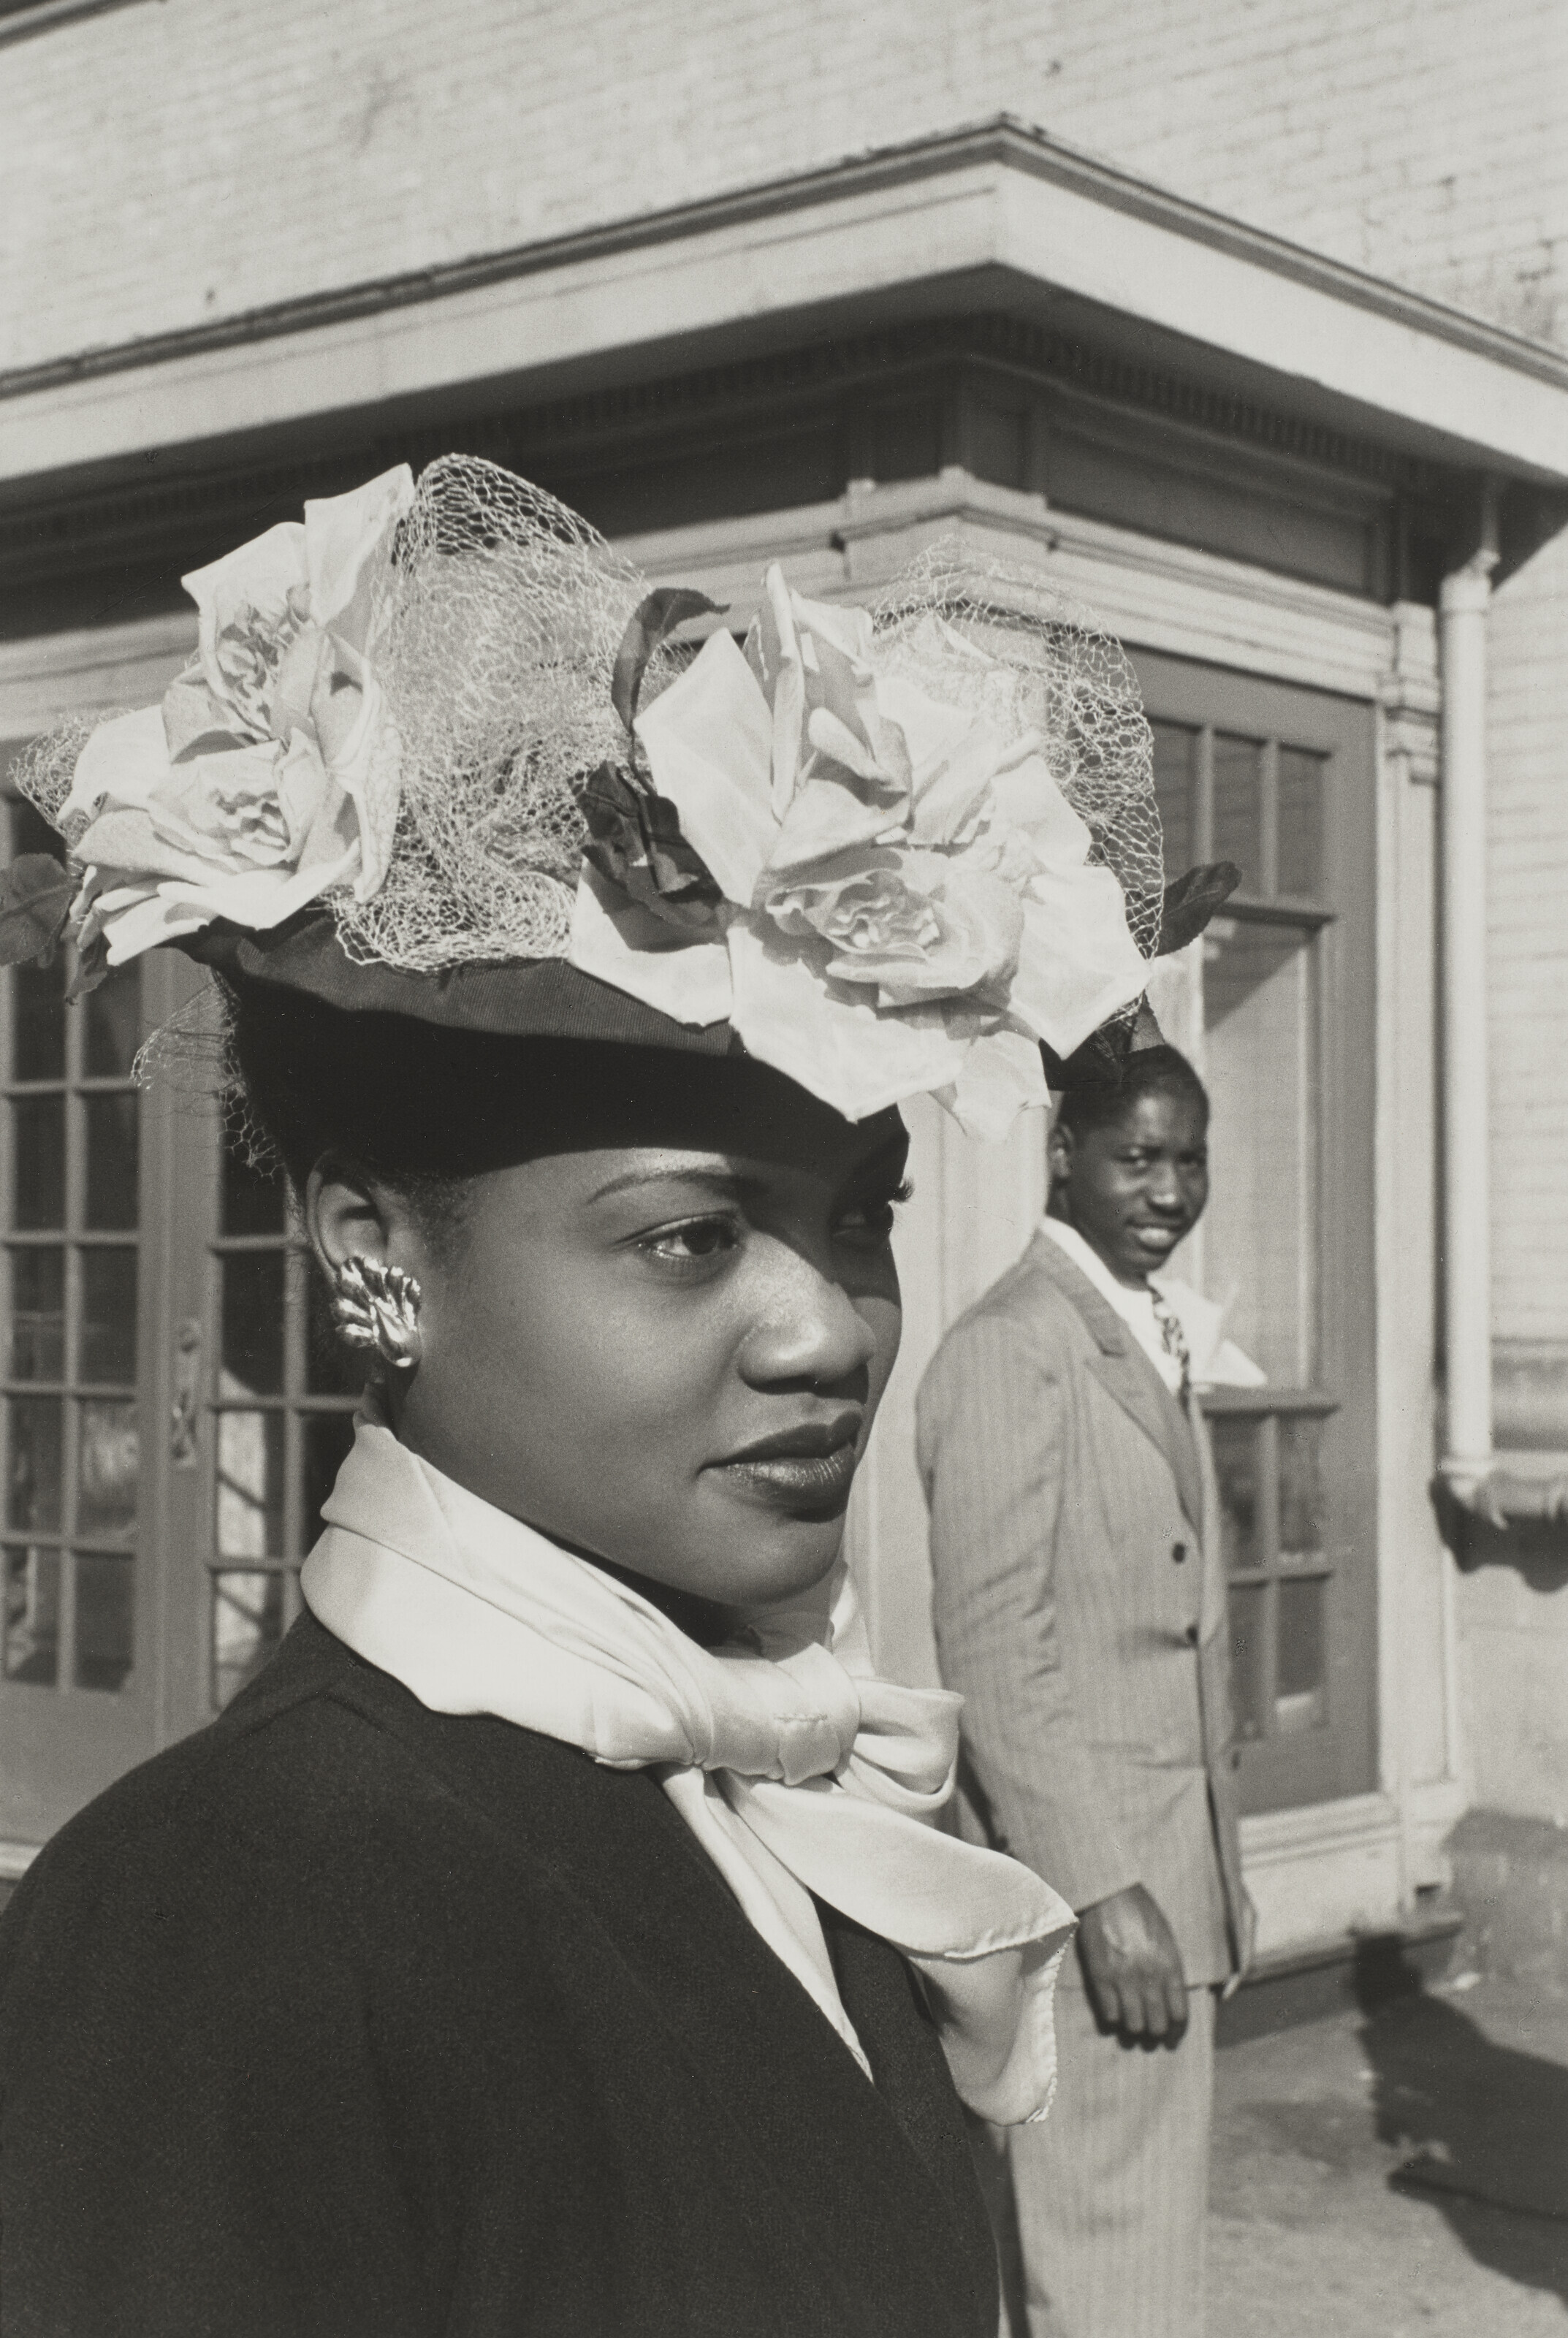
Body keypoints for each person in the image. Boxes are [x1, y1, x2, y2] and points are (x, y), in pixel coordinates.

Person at [0, 457, 1187, 2337]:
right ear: (375, 1253)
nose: (829, 1330)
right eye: (689, 1239)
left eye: (855, 1219)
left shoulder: (779, 1780)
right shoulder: (232, 1910)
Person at [916, 1043, 1252, 2338]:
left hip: (1171, 1880)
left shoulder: (1127, 1326)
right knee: (1099, 2257)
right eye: (1136, 1158)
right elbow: (996, 1646)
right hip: (1097, 1896)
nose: (1168, 1191)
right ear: (1061, 1153)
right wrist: (1108, 1893)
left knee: (1131, 2246)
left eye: (1189, 1160)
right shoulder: (1018, 1346)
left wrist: (1212, 1874)